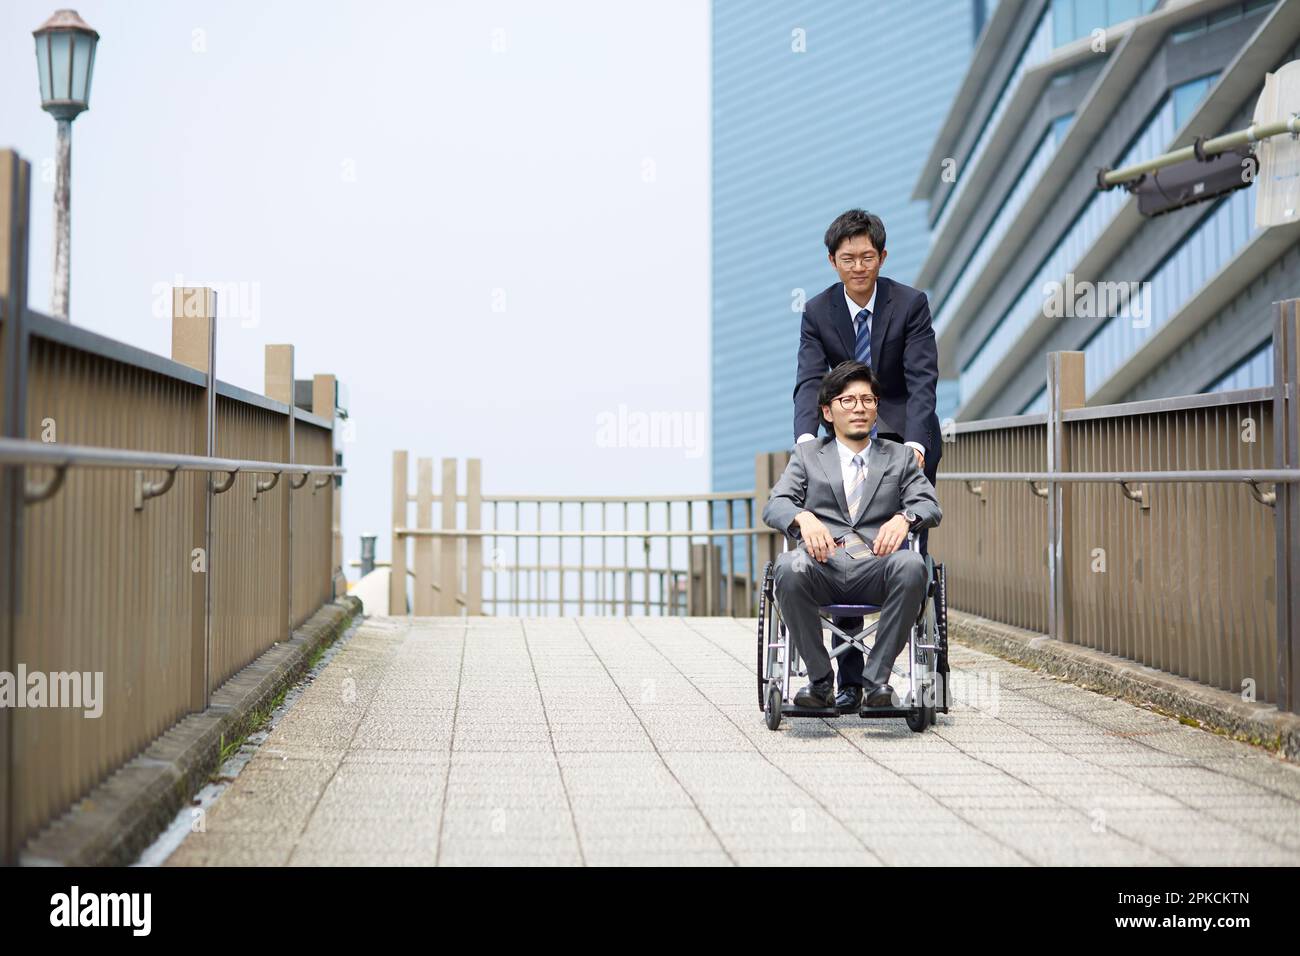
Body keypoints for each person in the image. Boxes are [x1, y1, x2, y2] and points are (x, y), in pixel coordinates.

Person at [791, 209, 942, 711]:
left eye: (868, 257)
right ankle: (850, 679)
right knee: (841, 538)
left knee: (894, 548)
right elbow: (811, 380)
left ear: (882, 256)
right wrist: (806, 440)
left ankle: (880, 675)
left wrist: (916, 444)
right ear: (832, 261)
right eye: (848, 258)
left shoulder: (910, 304)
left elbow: (922, 381)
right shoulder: (818, 311)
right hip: (845, 434)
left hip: (900, 434)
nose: (859, 267)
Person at [763, 361, 941, 711]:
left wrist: (905, 518)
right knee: (787, 566)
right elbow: (775, 504)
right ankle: (819, 682)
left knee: (912, 564)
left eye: (868, 400)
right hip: (822, 565)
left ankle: (875, 683)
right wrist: (803, 517)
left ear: (877, 408)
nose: (859, 408)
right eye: (848, 401)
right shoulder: (808, 456)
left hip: (879, 567)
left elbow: (929, 505)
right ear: (828, 412)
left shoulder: (900, 457)